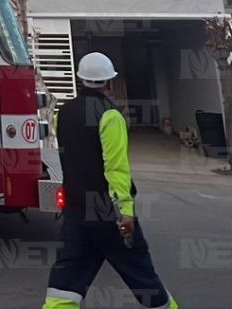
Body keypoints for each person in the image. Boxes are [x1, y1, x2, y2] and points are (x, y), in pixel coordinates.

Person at [42, 52, 178, 309]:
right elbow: (116, 169)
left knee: (64, 285)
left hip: (75, 213)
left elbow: (70, 160)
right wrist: (125, 211)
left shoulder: (64, 113)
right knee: (143, 278)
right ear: (110, 83)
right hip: (107, 213)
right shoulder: (110, 116)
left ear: (81, 79)